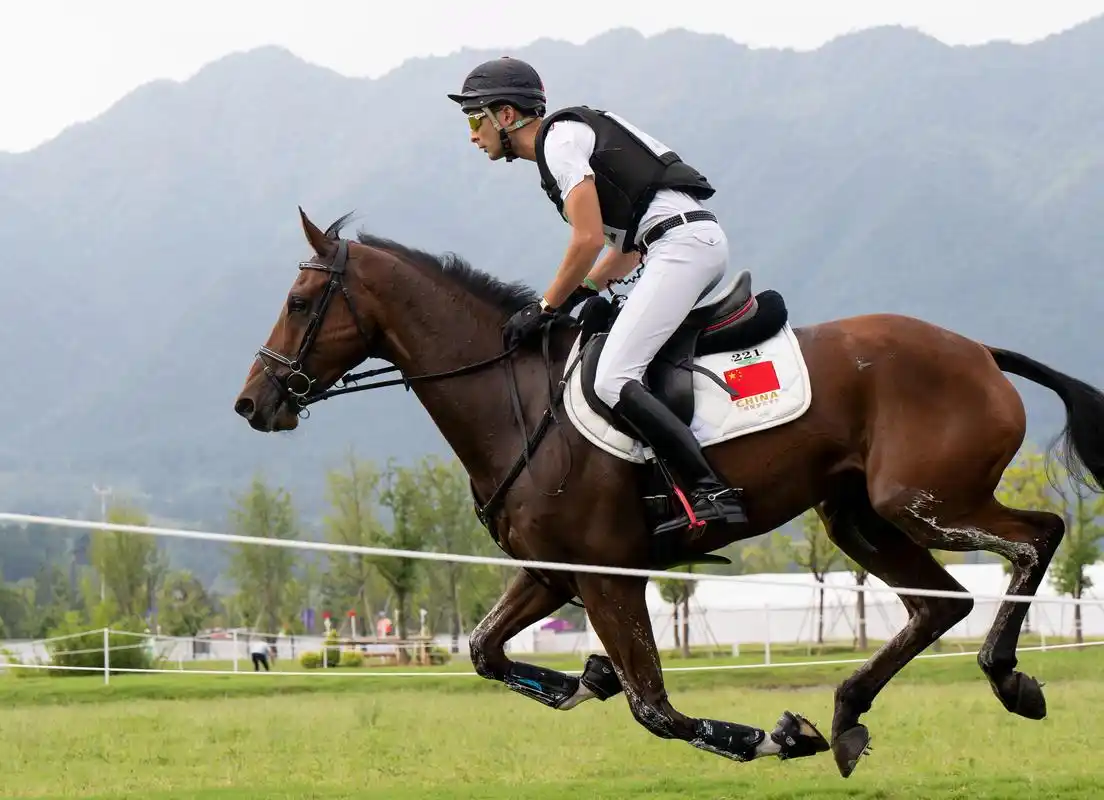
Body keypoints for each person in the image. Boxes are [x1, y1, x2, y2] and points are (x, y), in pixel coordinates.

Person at [447, 57, 747, 534]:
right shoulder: (564, 143)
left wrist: (546, 306)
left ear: (505, 116)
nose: (471, 134)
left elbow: (586, 240)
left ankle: (710, 491)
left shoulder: (558, 143)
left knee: (610, 378)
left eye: (473, 117)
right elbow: (622, 251)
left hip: (681, 246)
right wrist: (581, 293)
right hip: (678, 243)